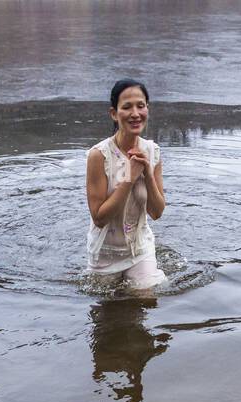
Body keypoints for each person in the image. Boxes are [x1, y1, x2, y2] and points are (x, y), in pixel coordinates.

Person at [85, 78, 168, 291]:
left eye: (141, 106)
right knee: (105, 314)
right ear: (114, 113)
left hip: (140, 249)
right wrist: (129, 179)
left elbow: (156, 212)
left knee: (146, 299)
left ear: (147, 109)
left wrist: (148, 174)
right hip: (106, 251)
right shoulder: (99, 155)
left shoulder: (153, 151)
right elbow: (99, 218)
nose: (135, 113)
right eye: (127, 107)